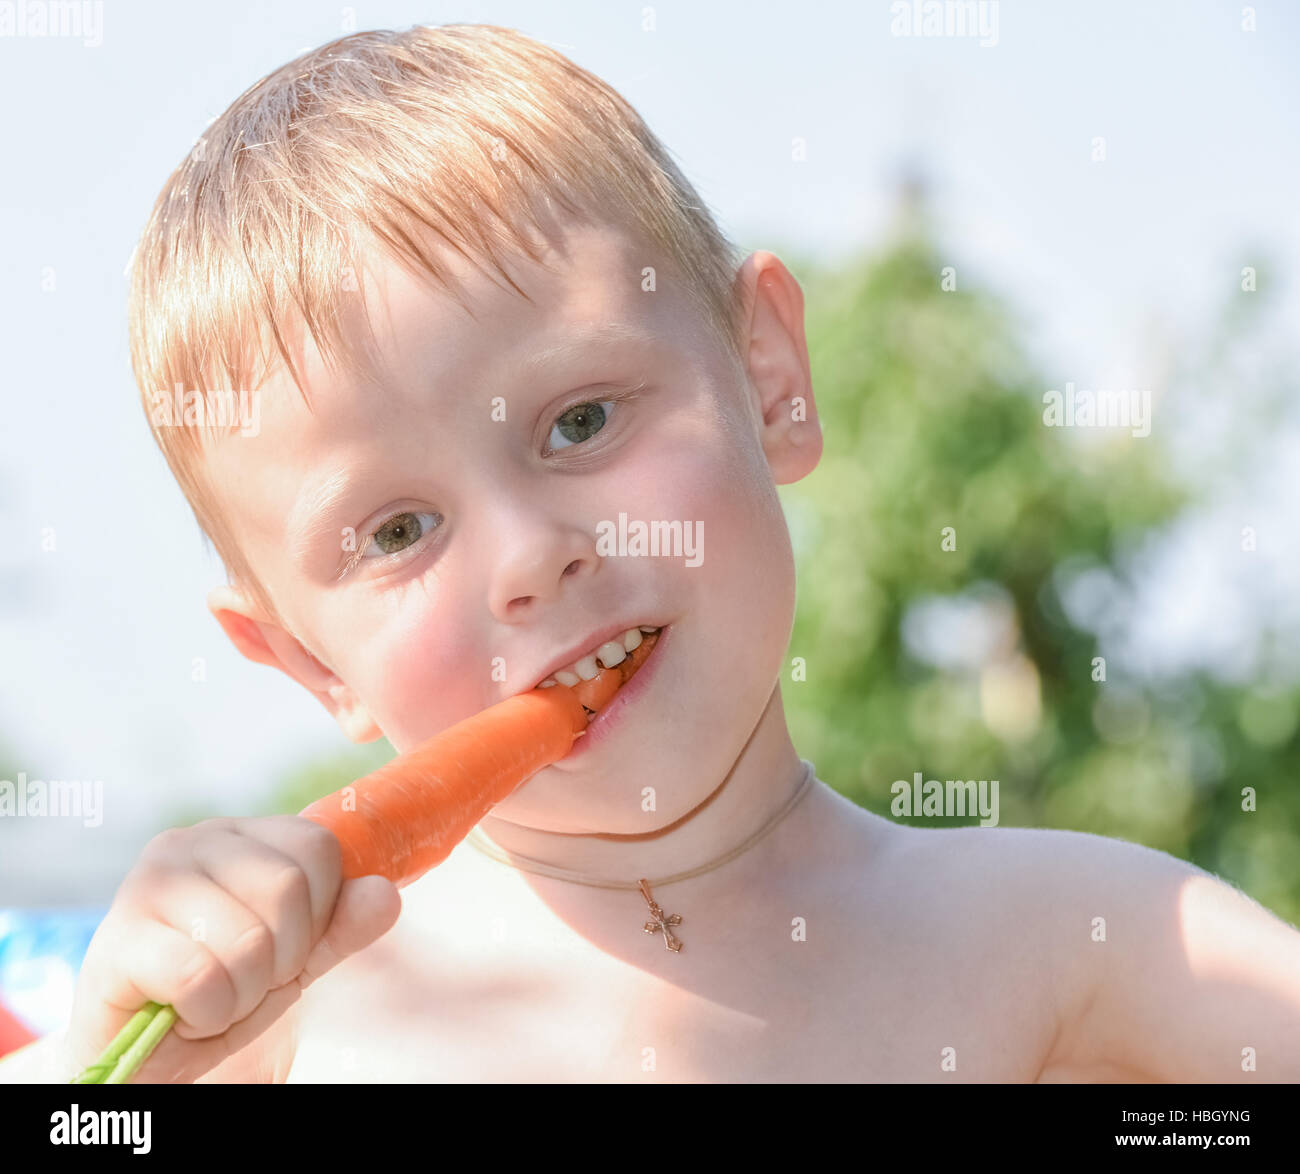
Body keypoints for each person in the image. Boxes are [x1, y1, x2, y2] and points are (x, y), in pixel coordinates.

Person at [6, 22, 1299, 1083]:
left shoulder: (1072, 938)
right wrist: (100, 1086)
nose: (526, 556)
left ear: (769, 375)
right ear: (302, 659)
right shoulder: (276, 1020)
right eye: (398, 530)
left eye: (580, 420)